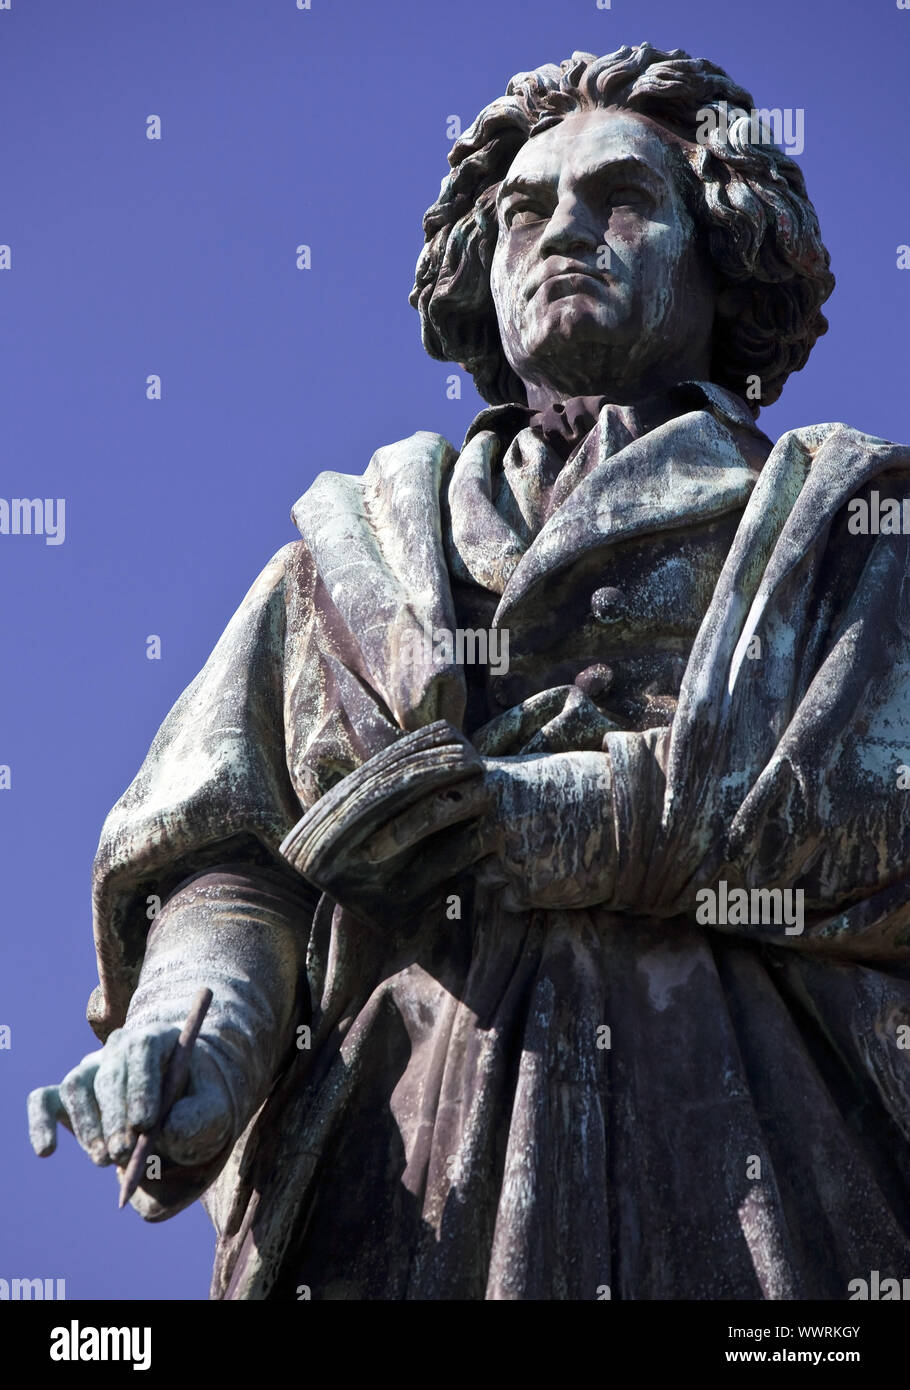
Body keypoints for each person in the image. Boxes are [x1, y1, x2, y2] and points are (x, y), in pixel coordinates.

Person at [29, 44, 910, 1300]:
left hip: (756, 1160)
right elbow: (234, 858)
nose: (563, 233)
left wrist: (575, 821)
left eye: (620, 200)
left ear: (724, 251)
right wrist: (198, 1025)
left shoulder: (846, 531)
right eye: (524, 211)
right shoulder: (352, 556)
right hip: (400, 1174)